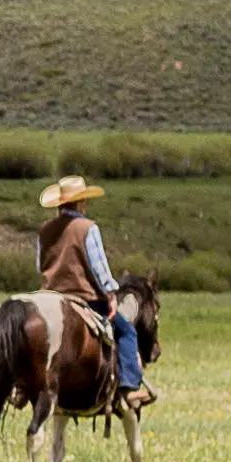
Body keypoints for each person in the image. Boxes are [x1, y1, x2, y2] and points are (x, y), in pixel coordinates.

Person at [37, 172, 150, 409]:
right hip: (83, 297)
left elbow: (40, 265)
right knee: (127, 331)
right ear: (79, 202)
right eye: (84, 200)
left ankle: (20, 387)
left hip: (48, 298)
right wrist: (110, 293)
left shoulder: (45, 229)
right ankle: (130, 388)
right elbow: (99, 268)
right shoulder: (88, 228)